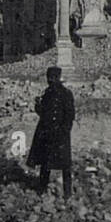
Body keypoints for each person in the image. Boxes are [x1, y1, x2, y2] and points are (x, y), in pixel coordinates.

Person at [28, 66, 75, 199]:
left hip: (60, 134)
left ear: (58, 78)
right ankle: (42, 189)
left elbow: (70, 115)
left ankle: (67, 193)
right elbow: (43, 113)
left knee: (65, 165)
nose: (50, 80)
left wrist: (64, 132)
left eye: (53, 78)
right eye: (49, 78)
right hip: (47, 133)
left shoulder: (66, 94)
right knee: (45, 163)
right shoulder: (46, 94)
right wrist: (38, 105)